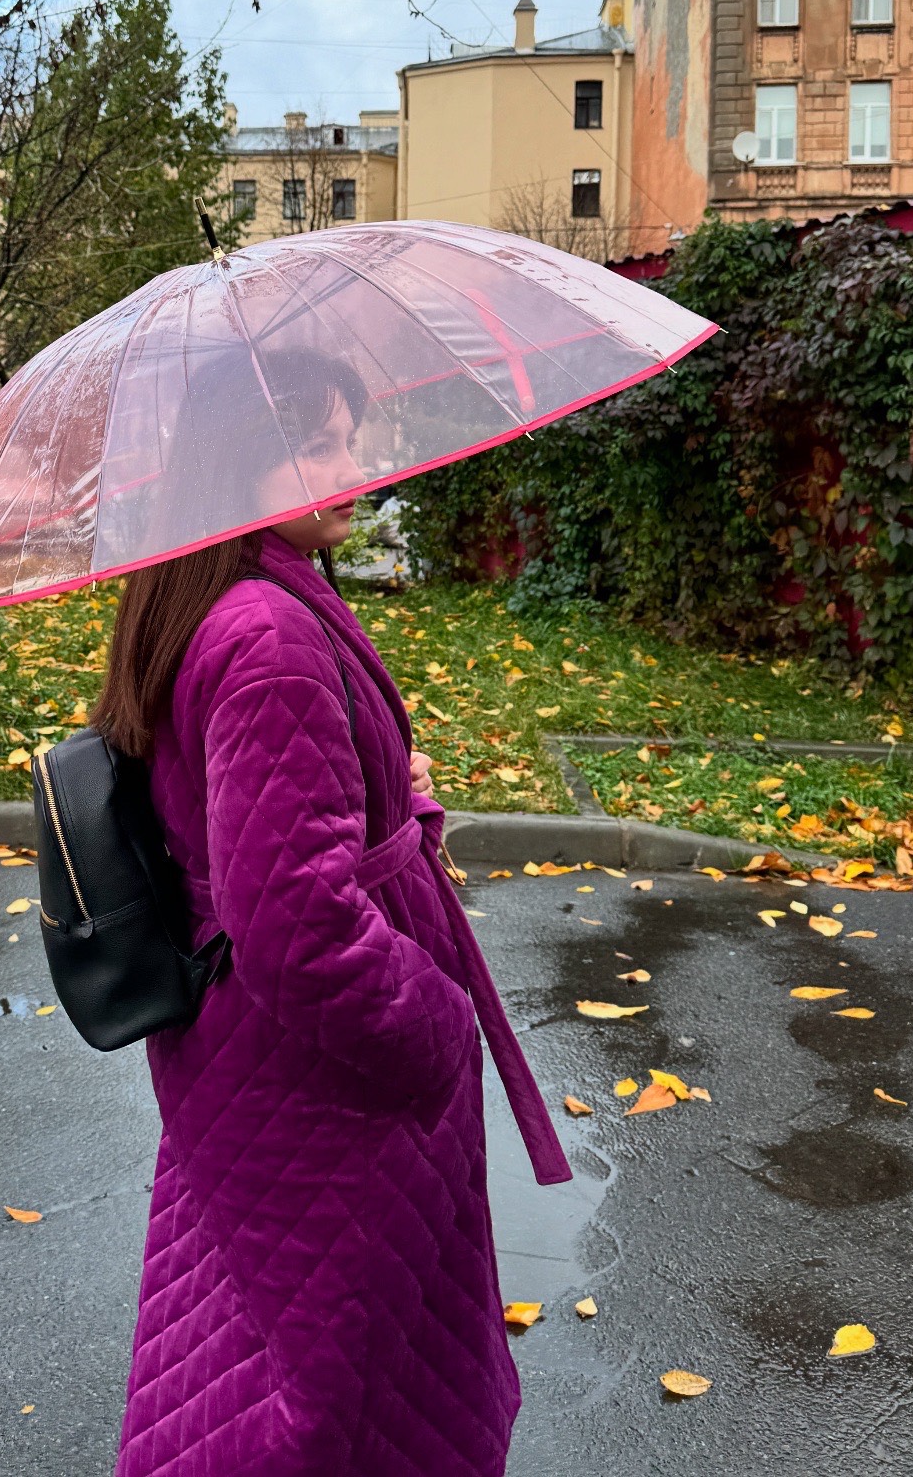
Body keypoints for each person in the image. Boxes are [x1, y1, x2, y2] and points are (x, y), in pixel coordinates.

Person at [96, 347, 571, 1477]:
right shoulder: (267, 637)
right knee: (339, 1393)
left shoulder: (221, 595)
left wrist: (391, 793)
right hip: (324, 1079)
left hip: (251, 1057)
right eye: (315, 444)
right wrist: (435, 1027)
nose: (351, 465)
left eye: (348, 436)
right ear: (234, 466)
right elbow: (297, 919)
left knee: (251, 1357)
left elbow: (257, 808)